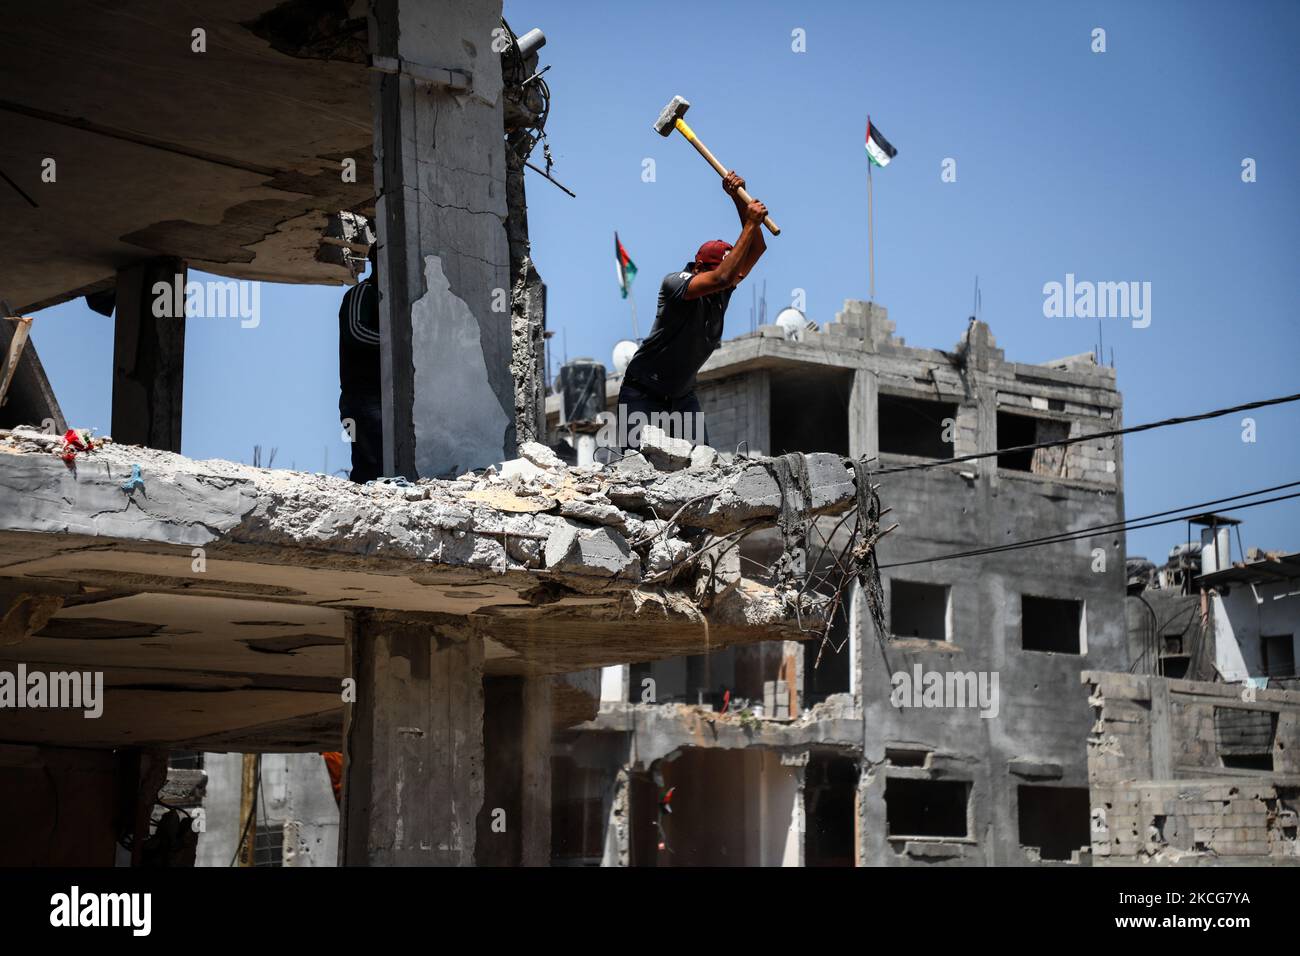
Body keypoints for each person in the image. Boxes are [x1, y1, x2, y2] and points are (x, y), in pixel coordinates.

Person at [619, 171, 767, 449]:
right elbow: (722, 276)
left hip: (682, 397)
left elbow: (756, 249)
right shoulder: (676, 284)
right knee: (635, 471)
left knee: (701, 470)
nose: (736, 277)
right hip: (643, 393)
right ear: (699, 268)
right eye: (728, 270)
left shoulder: (724, 285)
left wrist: (739, 199)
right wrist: (749, 223)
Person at [338, 244, 383, 482]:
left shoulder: (390, 299)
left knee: (387, 467)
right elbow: (356, 331)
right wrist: (395, 342)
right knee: (369, 467)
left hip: (383, 400)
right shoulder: (362, 292)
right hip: (361, 400)